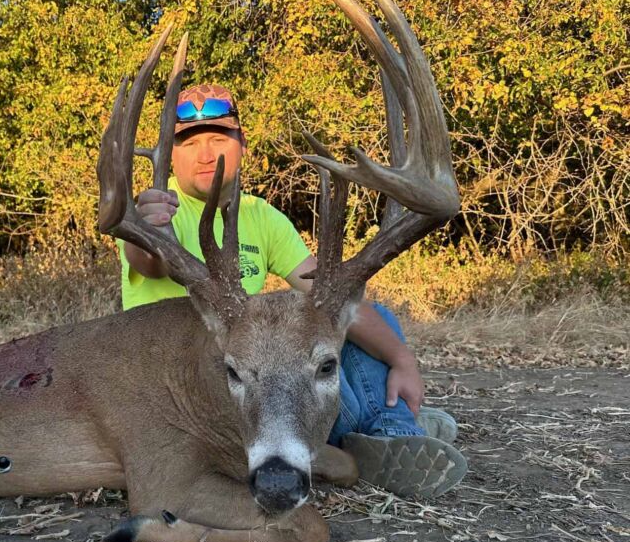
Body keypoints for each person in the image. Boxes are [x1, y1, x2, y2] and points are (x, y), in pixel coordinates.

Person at [119, 84, 467, 498]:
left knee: (362, 317)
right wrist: (147, 233)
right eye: (190, 143)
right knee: (321, 390)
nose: (206, 154)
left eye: (218, 139)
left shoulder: (261, 216)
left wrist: (402, 358)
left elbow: (326, 295)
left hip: (259, 378)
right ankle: (383, 430)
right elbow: (149, 261)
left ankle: (393, 430)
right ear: (171, 155)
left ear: (242, 145)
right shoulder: (159, 212)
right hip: (194, 385)